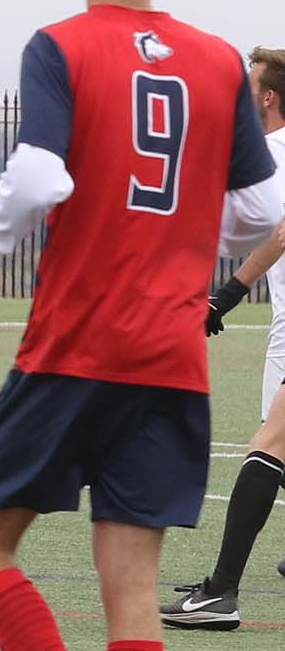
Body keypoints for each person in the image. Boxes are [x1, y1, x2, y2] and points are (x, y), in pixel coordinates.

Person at [0, 0, 281, 651]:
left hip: (76, 345)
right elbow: (261, 212)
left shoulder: (59, 45)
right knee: (130, 596)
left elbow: (35, 181)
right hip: (171, 357)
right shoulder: (219, 60)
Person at [158, 46, 285, 632]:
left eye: (248, 85)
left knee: (272, 444)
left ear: (267, 97)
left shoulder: (274, 154)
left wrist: (225, 294)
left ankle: (221, 593)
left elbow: (278, 234)